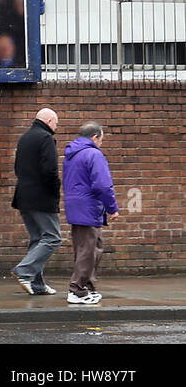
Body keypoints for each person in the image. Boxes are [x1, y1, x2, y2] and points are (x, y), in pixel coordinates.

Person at [62, 122, 119, 305]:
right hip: (88, 207)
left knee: (90, 248)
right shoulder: (94, 154)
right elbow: (103, 184)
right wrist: (112, 208)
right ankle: (77, 290)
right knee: (88, 250)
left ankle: (87, 287)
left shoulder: (71, 155)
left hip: (76, 206)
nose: (101, 143)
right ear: (95, 137)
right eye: (101, 139)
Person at [10, 108, 62, 296]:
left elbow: (17, 168)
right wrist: (56, 191)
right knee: (52, 238)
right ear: (48, 121)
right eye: (56, 123)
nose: (56, 126)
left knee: (37, 239)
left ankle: (37, 284)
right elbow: (50, 171)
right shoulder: (46, 138)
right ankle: (24, 271)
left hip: (23, 196)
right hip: (41, 197)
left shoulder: (24, 138)